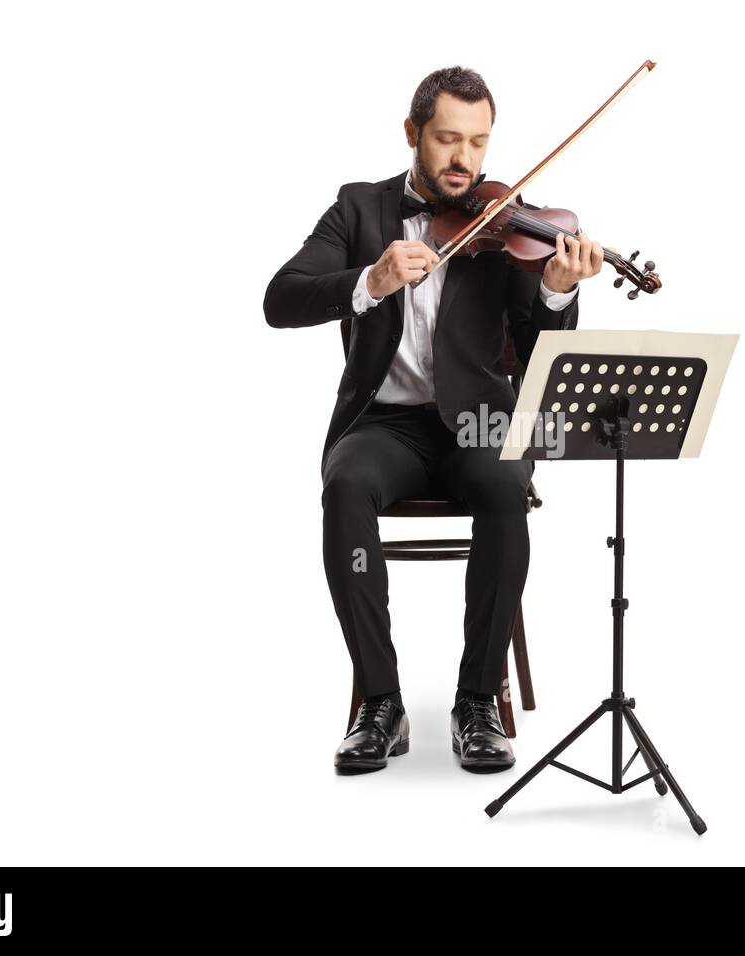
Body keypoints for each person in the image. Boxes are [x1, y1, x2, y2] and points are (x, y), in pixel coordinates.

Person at [263, 66, 605, 774]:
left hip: (477, 422)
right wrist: (369, 281)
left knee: (505, 489)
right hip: (382, 426)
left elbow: (541, 354)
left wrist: (552, 293)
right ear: (413, 132)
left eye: (478, 143)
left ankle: (477, 702)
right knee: (345, 489)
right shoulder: (357, 210)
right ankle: (379, 704)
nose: (465, 161)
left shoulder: (506, 216)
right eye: (448, 139)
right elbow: (282, 299)